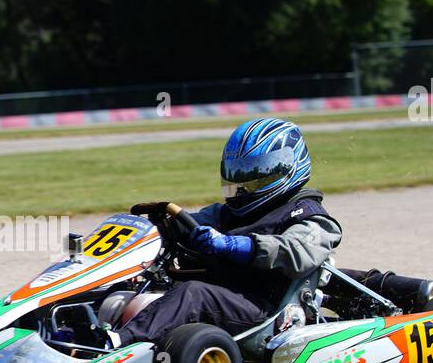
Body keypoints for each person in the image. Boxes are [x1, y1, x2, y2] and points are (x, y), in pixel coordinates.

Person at [112, 117, 342, 346]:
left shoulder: (310, 217)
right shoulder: (228, 213)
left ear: (286, 167)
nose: (243, 186)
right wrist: (155, 229)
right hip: (225, 297)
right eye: (237, 174)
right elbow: (190, 223)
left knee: (192, 294)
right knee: (134, 284)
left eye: (255, 173)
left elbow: (296, 252)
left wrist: (234, 244)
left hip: (263, 312)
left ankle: (116, 344)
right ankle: (86, 329)